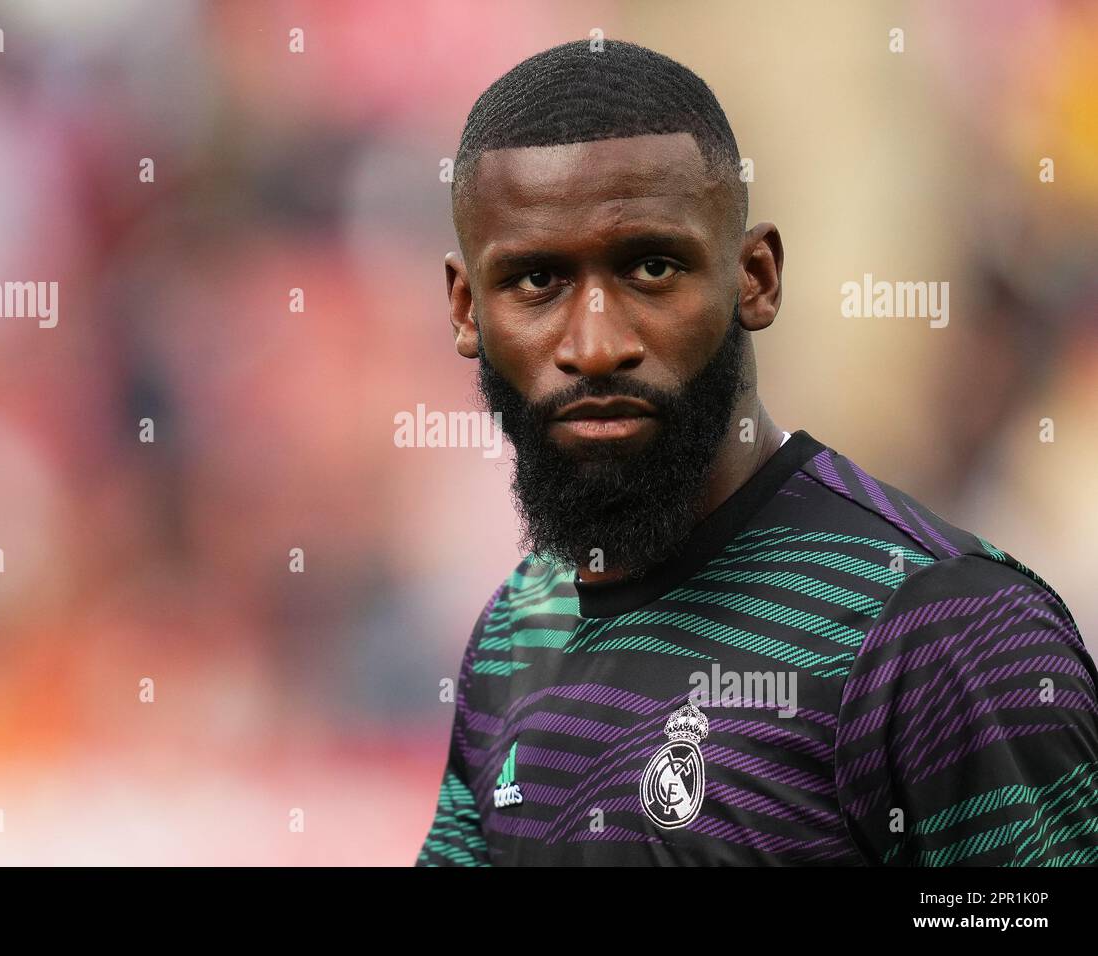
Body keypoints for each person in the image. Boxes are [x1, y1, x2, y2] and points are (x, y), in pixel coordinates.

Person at [415, 39, 1098, 866]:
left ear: (756, 278)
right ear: (465, 309)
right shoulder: (516, 632)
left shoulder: (944, 630)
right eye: (536, 282)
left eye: (653, 268)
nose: (594, 345)